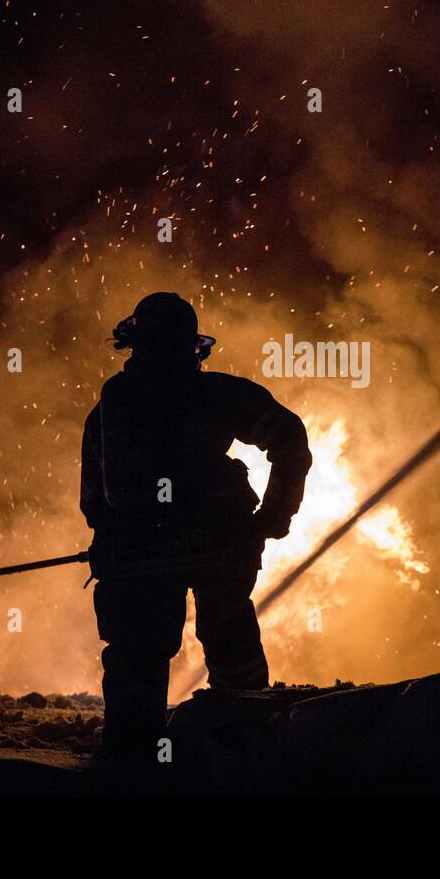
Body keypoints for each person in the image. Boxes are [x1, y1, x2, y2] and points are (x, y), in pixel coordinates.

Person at [80, 292, 312, 759]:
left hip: (153, 551)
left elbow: (96, 495)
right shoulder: (217, 394)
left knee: (143, 654)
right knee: (220, 641)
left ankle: (136, 762)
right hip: (208, 544)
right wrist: (272, 517)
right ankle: (245, 748)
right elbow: (289, 437)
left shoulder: (116, 403)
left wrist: (112, 541)